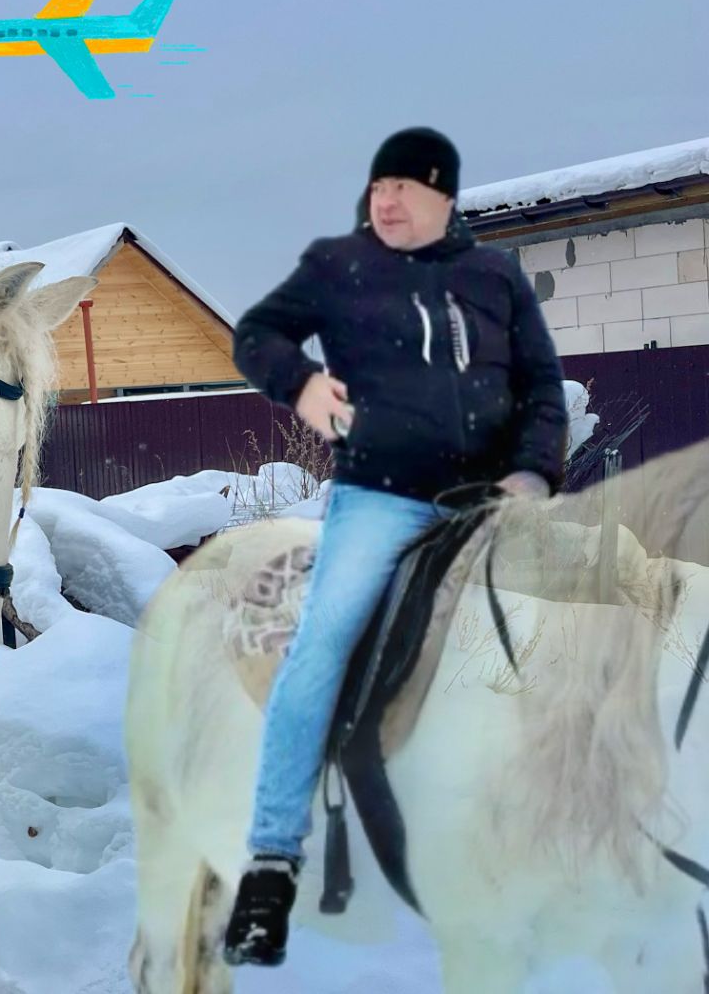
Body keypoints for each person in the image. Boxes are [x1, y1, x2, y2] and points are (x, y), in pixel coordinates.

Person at [222, 126, 569, 966]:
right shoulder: (339, 266)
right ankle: (271, 861)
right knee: (322, 643)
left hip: (492, 499)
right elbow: (256, 334)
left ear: (444, 196)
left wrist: (531, 472)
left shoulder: (495, 276)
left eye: (405, 187)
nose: (386, 200)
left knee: (585, 626)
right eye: (379, 186)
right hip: (382, 498)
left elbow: (542, 387)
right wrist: (300, 381)